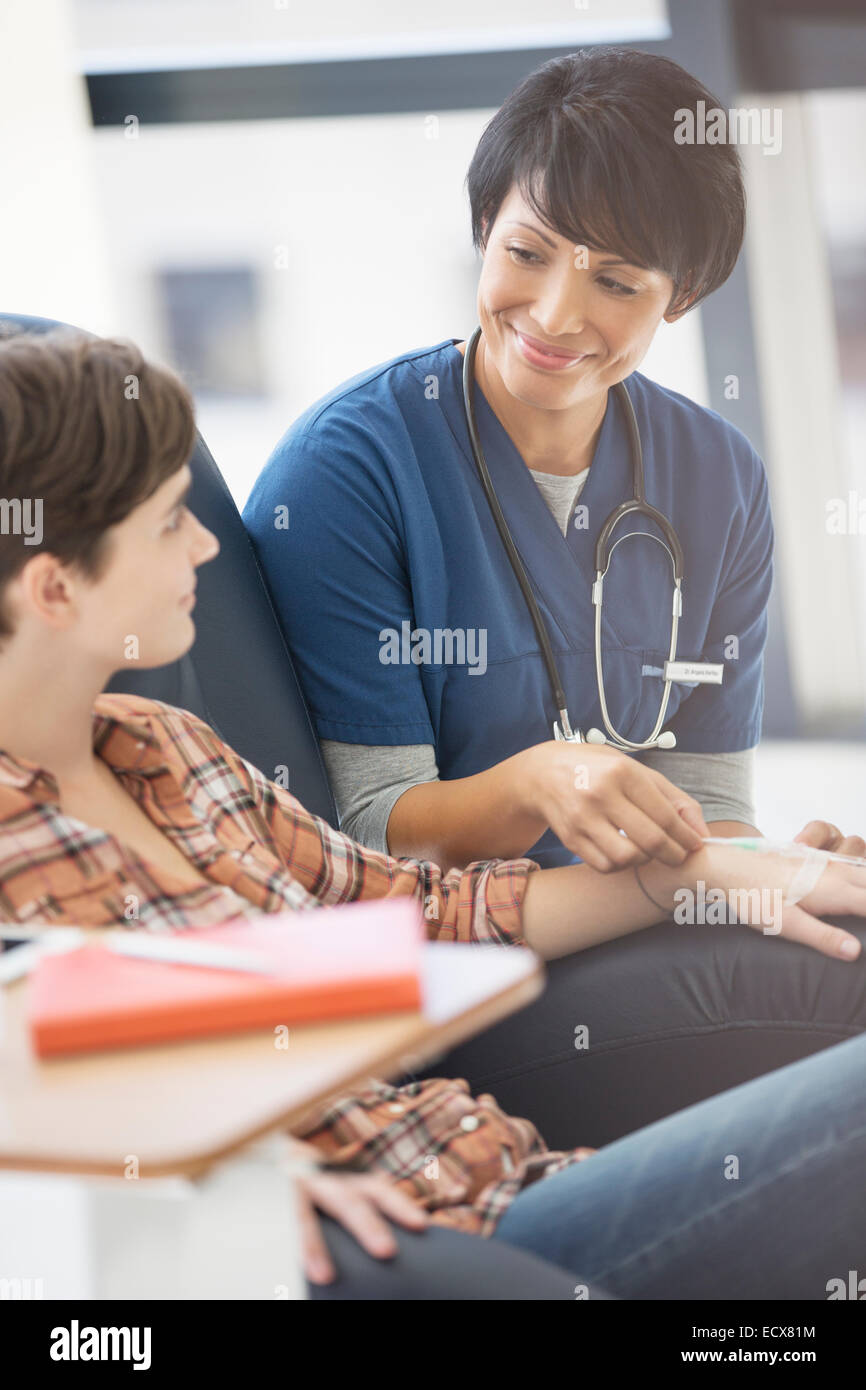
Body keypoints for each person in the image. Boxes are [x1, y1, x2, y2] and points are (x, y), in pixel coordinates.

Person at [2, 327, 866, 1299]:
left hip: (500, 1175)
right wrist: (210, 1184)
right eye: (167, 522)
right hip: (429, 1248)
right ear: (54, 587)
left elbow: (413, 914)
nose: (206, 538)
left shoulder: (163, 743)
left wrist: (696, 873)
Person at [243, 47, 863, 877]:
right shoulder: (345, 473)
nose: (554, 317)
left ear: (679, 296)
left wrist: (774, 865)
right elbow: (373, 829)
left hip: (634, 917)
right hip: (453, 946)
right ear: (483, 229)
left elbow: (706, 811)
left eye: (615, 282)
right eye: (527, 255)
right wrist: (541, 784)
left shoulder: (719, 477)